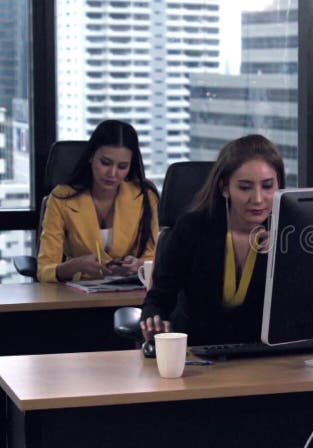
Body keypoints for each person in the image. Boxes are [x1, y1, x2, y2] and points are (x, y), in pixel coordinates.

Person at [140, 135, 285, 345]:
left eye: (267, 186)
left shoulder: (288, 235)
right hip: (199, 355)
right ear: (224, 188)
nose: (258, 199)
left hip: (266, 359)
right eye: (245, 187)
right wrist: (153, 319)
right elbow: (159, 299)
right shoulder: (192, 229)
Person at [37, 120, 159, 282]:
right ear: (91, 157)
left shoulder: (144, 196)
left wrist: (139, 265)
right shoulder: (61, 199)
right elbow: (44, 270)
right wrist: (75, 266)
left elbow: (154, 258)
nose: (112, 173)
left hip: (130, 295)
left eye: (122, 166)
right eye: (105, 163)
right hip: (76, 294)